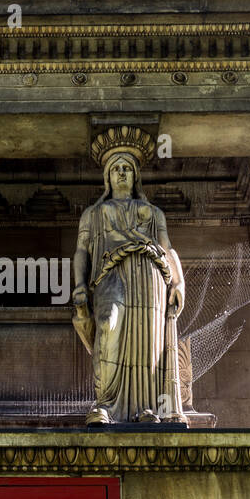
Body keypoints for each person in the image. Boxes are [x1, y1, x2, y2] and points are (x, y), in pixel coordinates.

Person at [72, 127, 187, 425]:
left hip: (149, 275)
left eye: (127, 169)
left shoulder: (152, 213)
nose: (121, 173)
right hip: (109, 274)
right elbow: (82, 253)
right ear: (107, 178)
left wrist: (179, 281)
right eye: (116, 169)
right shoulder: (94, 214)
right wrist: (79, 285)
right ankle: (106, 404)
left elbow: (167, 248)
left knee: (147, 340)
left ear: (136, 176)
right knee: (109, 324)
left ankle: (145, 409)